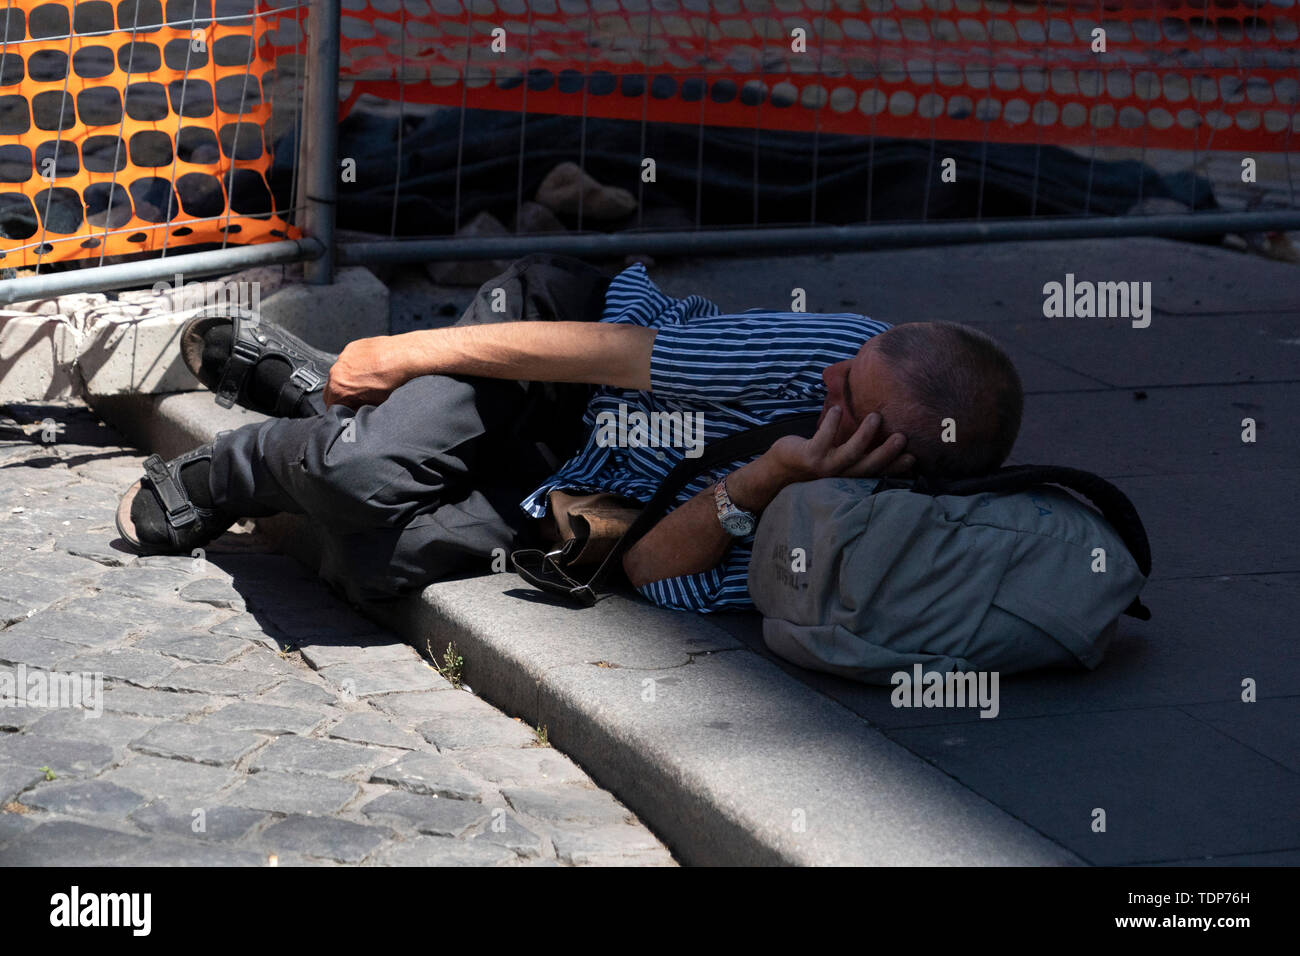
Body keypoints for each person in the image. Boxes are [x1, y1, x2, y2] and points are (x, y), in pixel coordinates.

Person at [115, 254, 1023, 613]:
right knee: (363, 477)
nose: (831, 375)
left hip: (584, 492)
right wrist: (401, 351)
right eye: (851, 364)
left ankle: (313, 394)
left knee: (376, 566)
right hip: (556, 361)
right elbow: (610, 353)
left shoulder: (846, 520)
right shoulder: (835, 346)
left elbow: (649, 569)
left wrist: (768, 479)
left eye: (848, 396)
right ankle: (229, 471)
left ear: (887, 454)